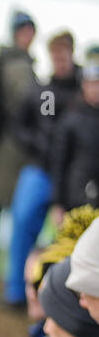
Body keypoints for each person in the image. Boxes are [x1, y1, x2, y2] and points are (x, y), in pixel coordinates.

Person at [6, 32, 80, 304]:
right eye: (55, 56)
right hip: (40, 168)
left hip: (73, 175)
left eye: (63, 55)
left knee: (69, 235)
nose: (59, 61)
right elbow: (21, 123)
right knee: (23, 221)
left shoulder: (82, 91)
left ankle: (61, 297)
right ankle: (17, 290)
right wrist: (36, 143)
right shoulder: (45, 91)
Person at [0, 10, 39, 300]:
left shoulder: (4, 62)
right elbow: (29, 105)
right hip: (13, 152)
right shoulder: (20, 67)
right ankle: (11, 285)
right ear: (22, 33)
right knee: (12, 216)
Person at [49, 48, 99, 216]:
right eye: (91, 84)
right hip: (75, 201)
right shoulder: (70, 118)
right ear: (83, 85)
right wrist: (57, 203)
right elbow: (59, 162)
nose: (95, 89)